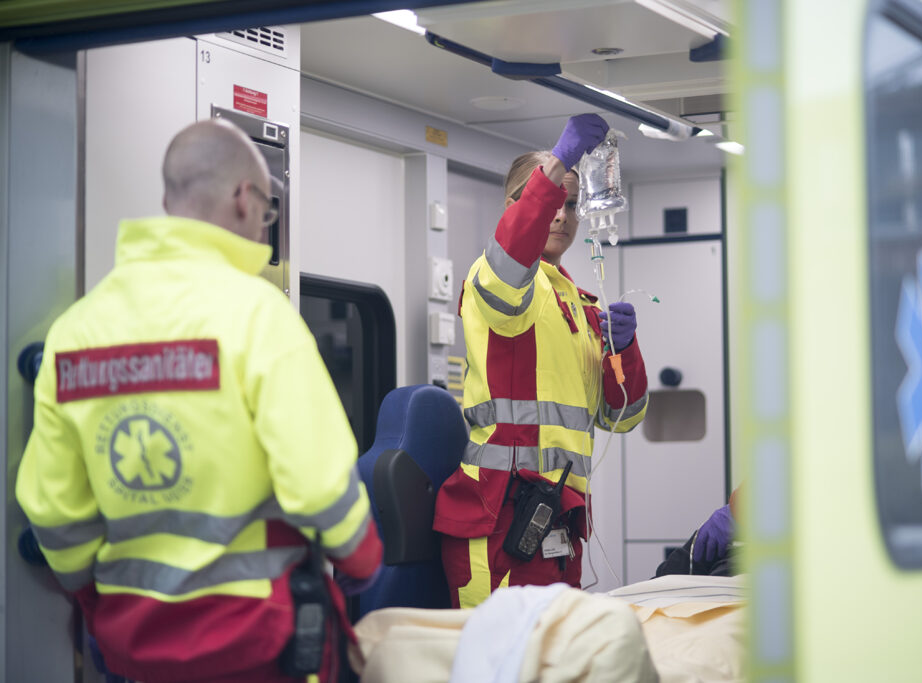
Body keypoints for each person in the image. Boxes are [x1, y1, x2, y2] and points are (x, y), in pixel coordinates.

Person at [15, 119, 381, 683]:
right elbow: (319, 486)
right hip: (257, 644)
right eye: (267, 210)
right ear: (244, 198)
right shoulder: (258, 316)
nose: (265, 226)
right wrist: (361, 562)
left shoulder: (76, 331)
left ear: (168, 200)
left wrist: (96, 596)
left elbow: (53, 511)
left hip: (131, 648)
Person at [434, 114, 649, 608]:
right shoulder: (496, 278)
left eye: (571, 205)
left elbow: (624, 416)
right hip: (499, 520)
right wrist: (560, 162)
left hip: (558, 523)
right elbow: (513, 259)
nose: (560, 215)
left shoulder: (579, 301)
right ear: (514, 206)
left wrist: (626, 350)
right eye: (549, 199)